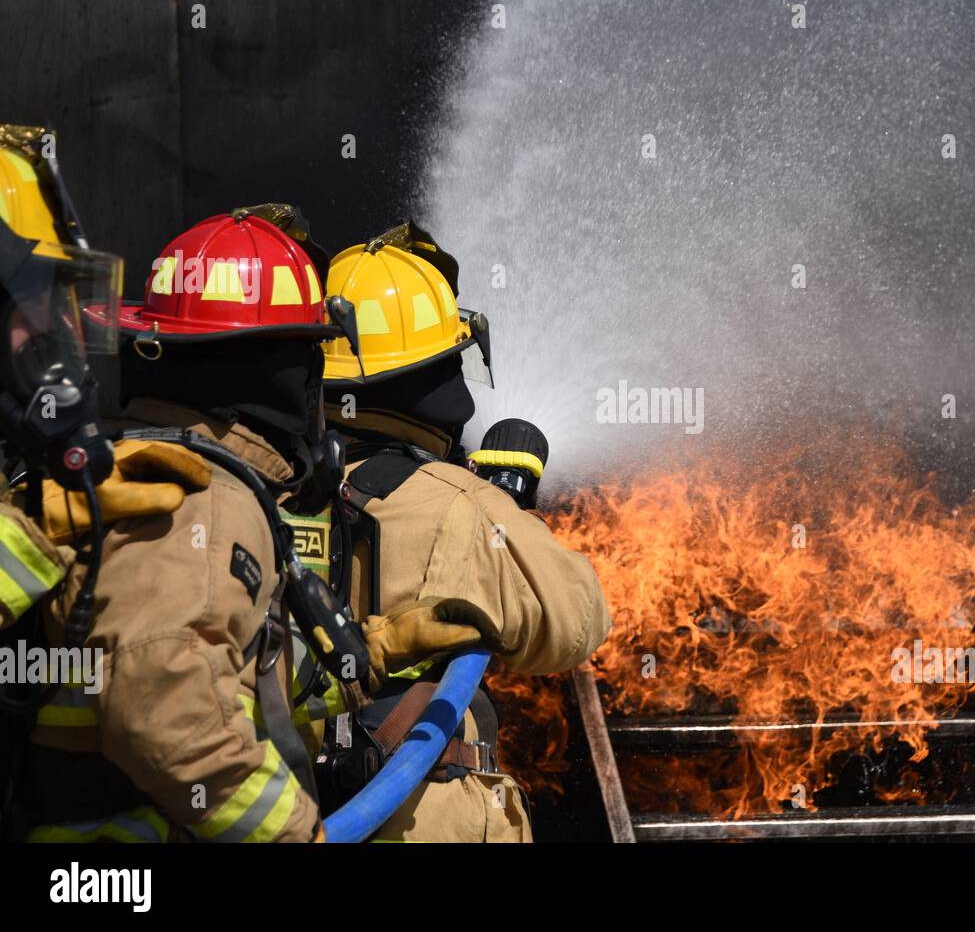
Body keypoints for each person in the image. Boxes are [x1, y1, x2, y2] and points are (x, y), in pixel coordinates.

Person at [13, 203, 374, 842]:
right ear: (290, 376)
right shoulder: (201, 497)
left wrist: (383, 643)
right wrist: (297, 837)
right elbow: (168, 707)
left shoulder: (117, 469)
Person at [319, 221, 611, 842]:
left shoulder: (257, 491)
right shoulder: (464, 506)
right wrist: (509, 508)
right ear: (439, 373)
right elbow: (577, 621)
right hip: (418, 819)